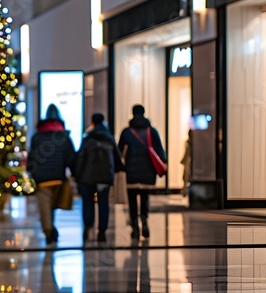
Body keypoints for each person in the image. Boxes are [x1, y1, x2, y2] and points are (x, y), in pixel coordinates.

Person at [28, 104, 76, 245]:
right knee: (53, 206)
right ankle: (51, 229)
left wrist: (32, 173)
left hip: (42, 179)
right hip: (58, 178)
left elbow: (32, 158)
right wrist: (74, 174)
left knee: (45, 208)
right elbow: (71, 158)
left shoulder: (37, 138)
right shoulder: (64, 137)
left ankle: (49, 231)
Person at [118, 104, 167, 240]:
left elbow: (119, 152)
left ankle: (135, 227)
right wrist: (163, 163)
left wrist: (121, 167)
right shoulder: (152, 132)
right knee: (145, 198)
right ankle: (144, 221)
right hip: (148, 172)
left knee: (132, 200)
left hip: (132, 173)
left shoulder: (126, 132)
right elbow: (160, 151)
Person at [75, 113, 119, 243]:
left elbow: (81, 158)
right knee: (103, 203)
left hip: (87, 177)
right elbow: (117, 158)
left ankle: (88, 227)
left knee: (87, 202)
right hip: (105, 177)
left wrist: (77, 175)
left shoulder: (87, 139)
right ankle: (102, 231)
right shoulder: (109, 138)